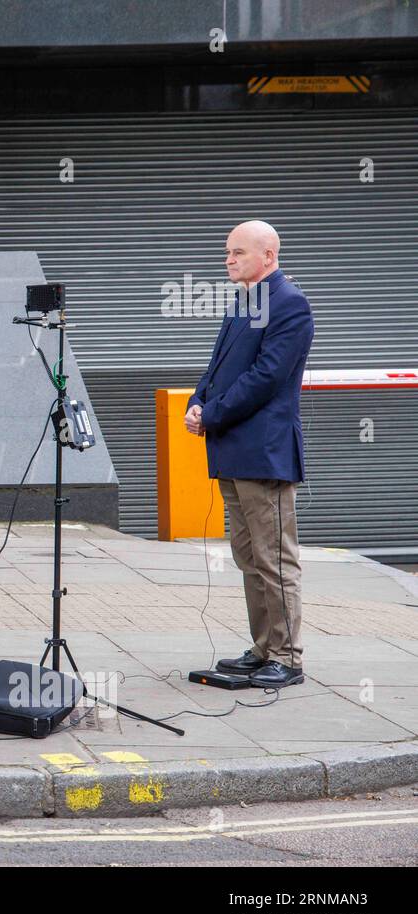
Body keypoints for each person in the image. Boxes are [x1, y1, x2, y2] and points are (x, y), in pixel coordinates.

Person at [186, 220, 314, 689]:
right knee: (247, 555)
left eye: (238, 252)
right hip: (234, 449)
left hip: (264, 451)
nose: (228, 259)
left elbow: (267, 377)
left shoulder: (290, 304)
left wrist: (212, 413)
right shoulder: (245, 303)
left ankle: (287, 656)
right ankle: (263, 648)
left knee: (275, 557)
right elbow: (218, 366)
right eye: (227, 252)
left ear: (269, 255)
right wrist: (197, 403)